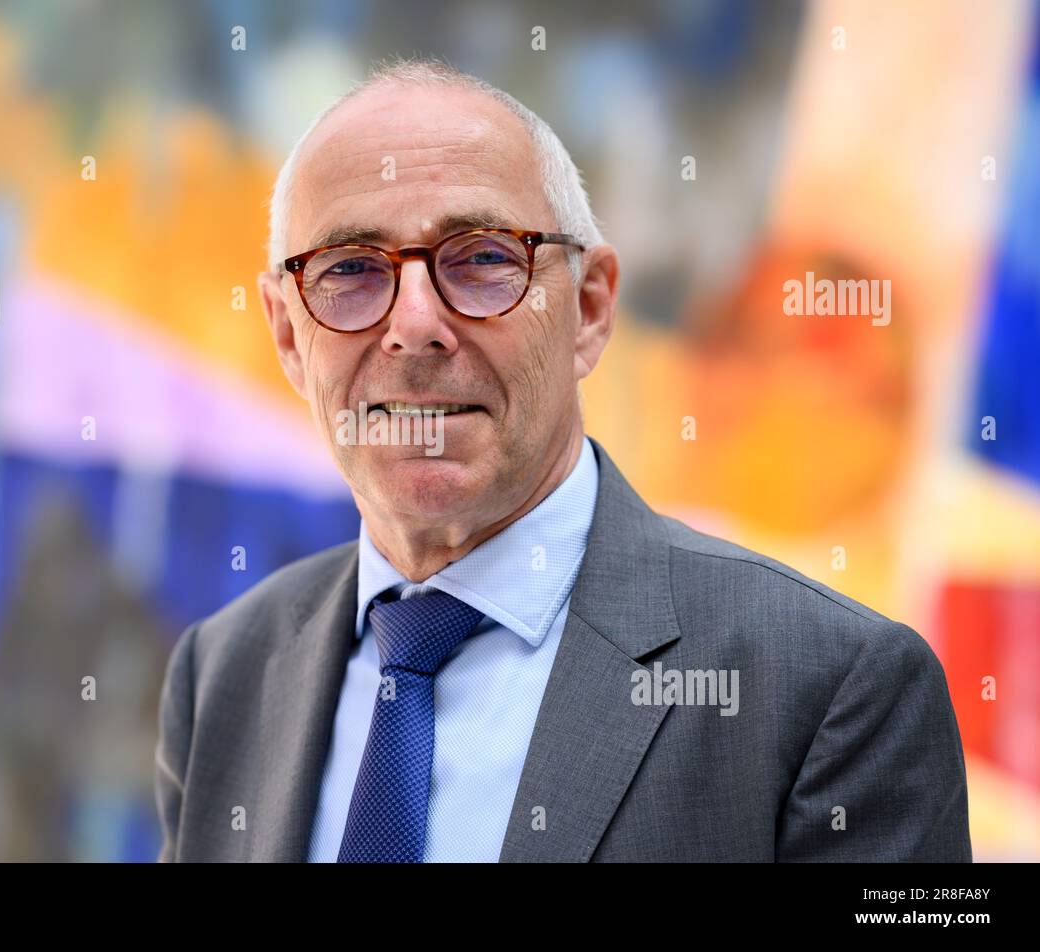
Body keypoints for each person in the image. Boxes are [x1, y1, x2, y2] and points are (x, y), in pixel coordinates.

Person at [155, 57, 971, 862]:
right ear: (290, 335)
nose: (412, 325)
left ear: (589, 307)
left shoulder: (831, 690)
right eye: (351, 271)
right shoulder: (223, 674)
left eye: (480, 259)